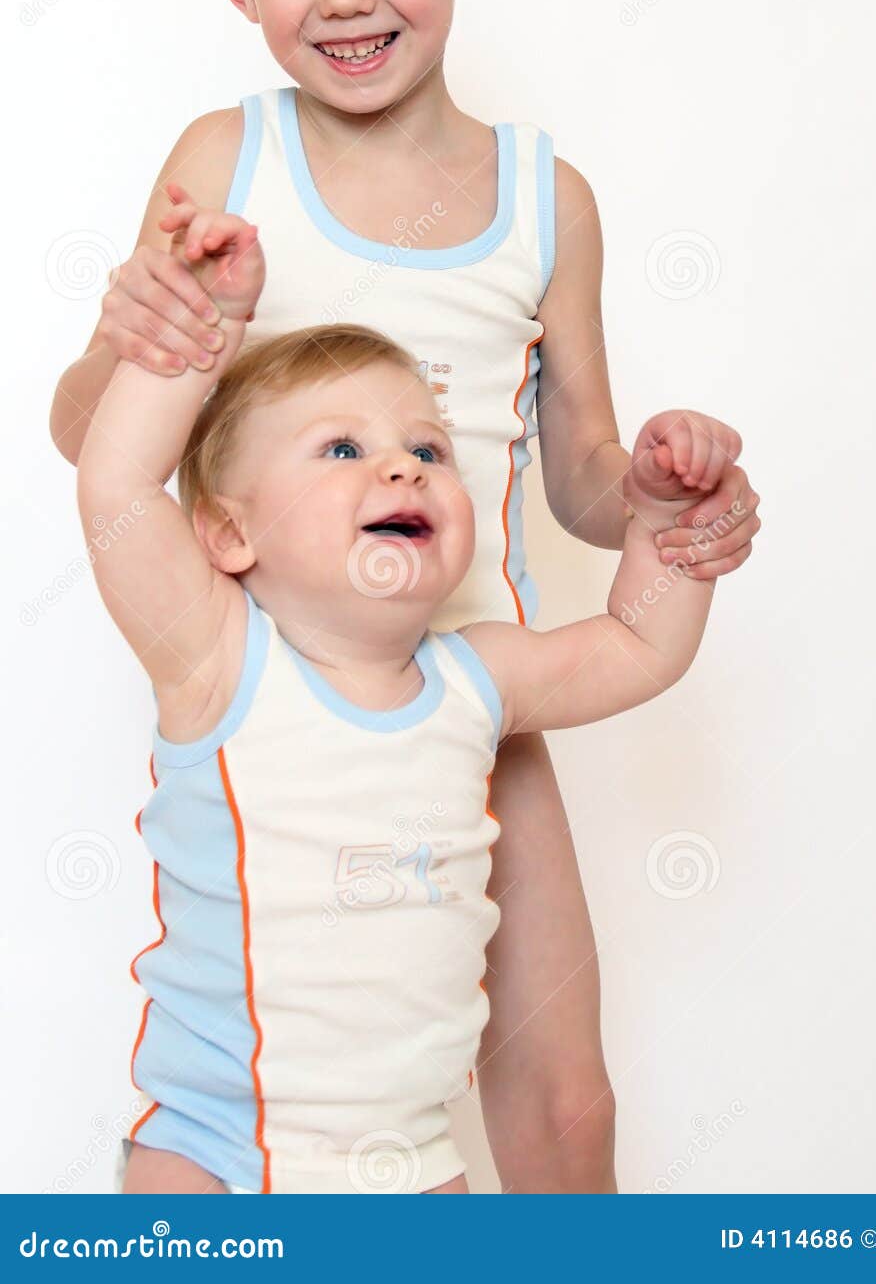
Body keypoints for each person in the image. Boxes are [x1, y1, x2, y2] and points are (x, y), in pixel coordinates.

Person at [51, 0, 761, 1193]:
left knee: (563, 1103)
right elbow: (95, 437)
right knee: (284, 1067)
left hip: (478, 685)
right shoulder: (224, 156)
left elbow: (579, 476)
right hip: (276, 695)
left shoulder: (543, 202)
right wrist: (136, 337)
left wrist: (664, 501)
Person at [77, 202, 718, 1193]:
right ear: (228, 534)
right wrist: (202, 335)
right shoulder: (219, 661)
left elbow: (637, 646)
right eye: (341, 449)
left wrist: (667, 525)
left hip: (410, 1161)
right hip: (215, 1154)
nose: (398, 463)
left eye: (427, 451)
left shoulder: (477, 679)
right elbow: (117, 483)